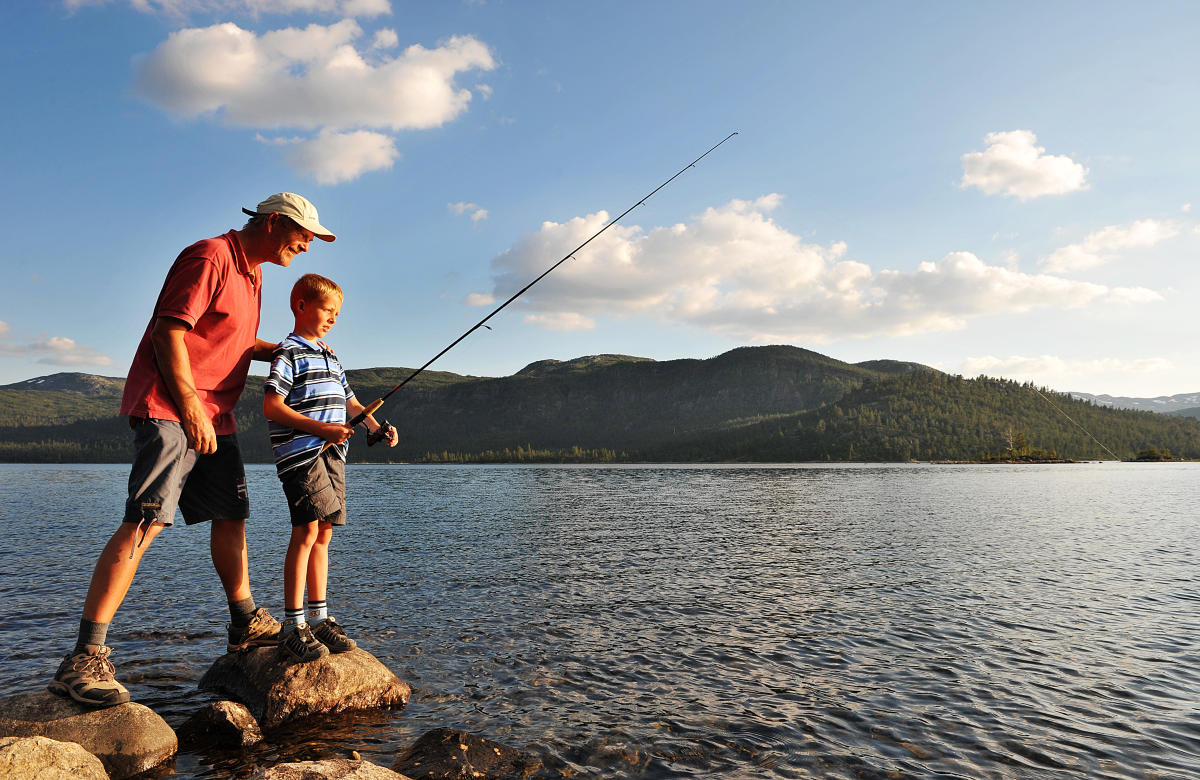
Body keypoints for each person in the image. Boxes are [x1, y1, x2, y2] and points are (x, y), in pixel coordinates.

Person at [49, 193, 336, 707]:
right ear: (273, 223)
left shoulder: (255, 274)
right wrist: (190, 407)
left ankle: (245, 621)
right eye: (304, 235)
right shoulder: (210, 256)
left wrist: (299, 350)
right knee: (146, 520)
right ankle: (83, 658)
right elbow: (169, 331)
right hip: (170, 408)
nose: (308, 246)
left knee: (231, 515)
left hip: (214, 415)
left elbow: (234, 343)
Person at [262, 273, 397, 661]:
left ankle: (319, 618)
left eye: (337, 313)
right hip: (302, 455)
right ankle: (293, 624)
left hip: (332, 457)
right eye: (327, 310)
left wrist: (376, 426)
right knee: (305, 531)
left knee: (323, 534)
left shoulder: (331, 355)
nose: (333, 318)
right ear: (300, 306)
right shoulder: (288, 351)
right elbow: (273, 406)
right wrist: (322, 428)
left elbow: (352, 404)